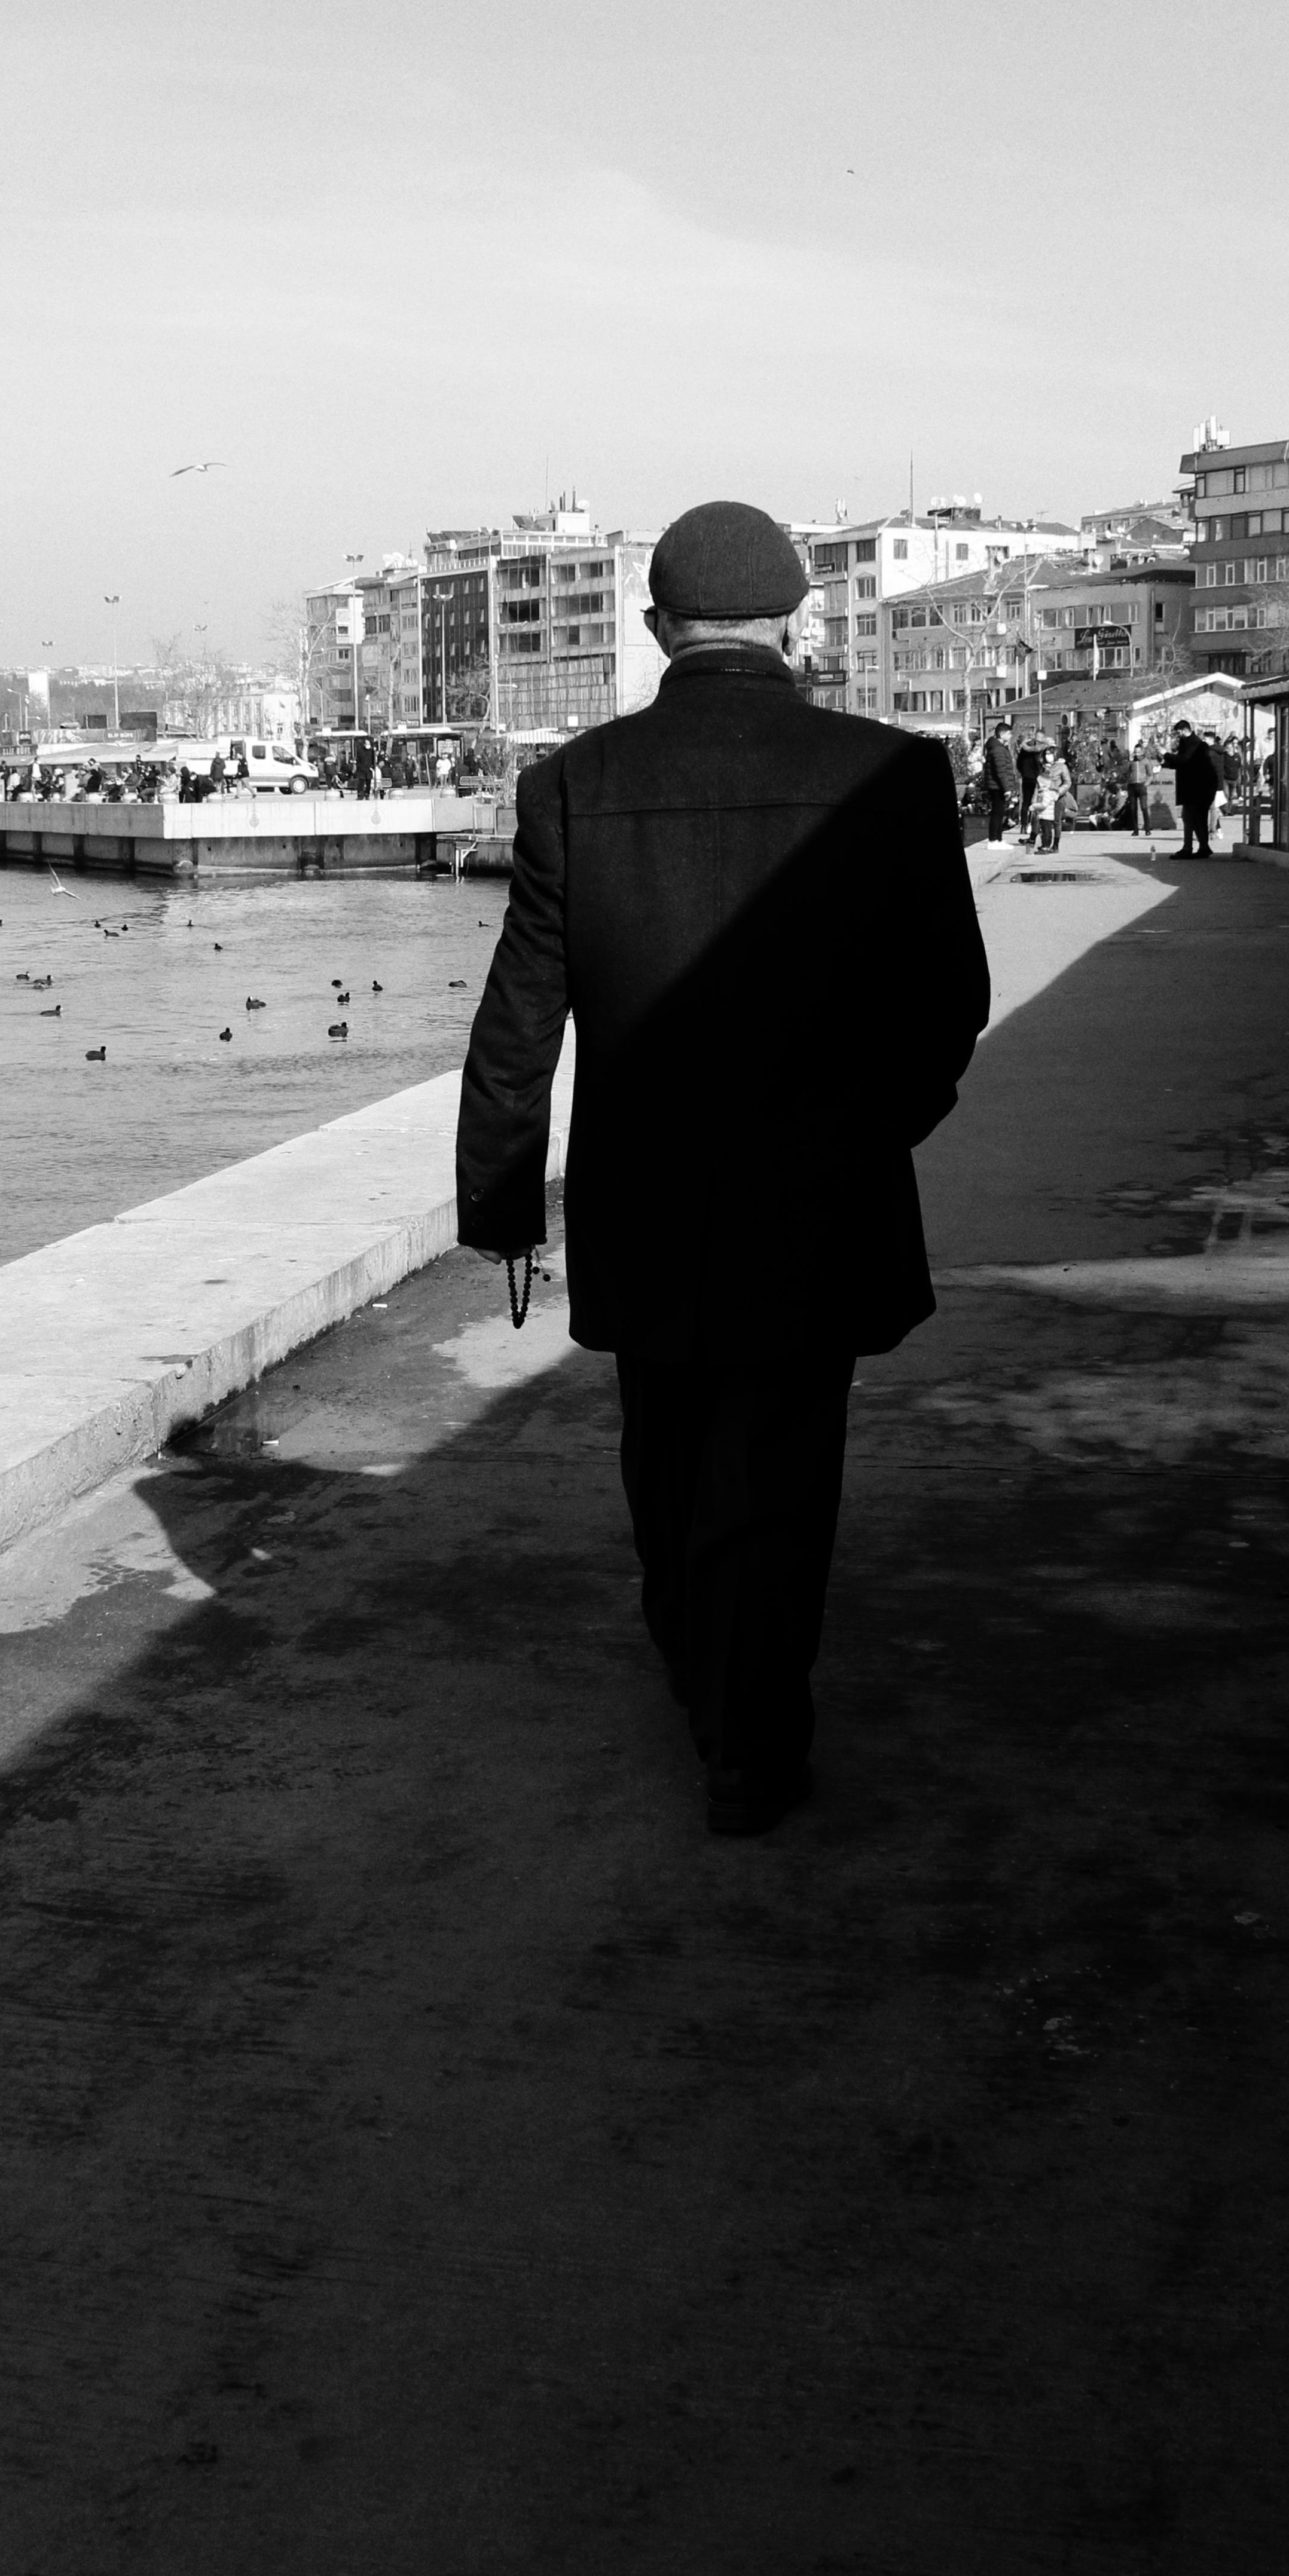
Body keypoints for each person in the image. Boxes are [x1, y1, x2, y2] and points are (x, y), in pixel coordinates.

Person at [456, 497, 991, 1838]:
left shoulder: (570, 787)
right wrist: (872, 1131)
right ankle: (750, 1729)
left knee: (668, 1442)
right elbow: (947, 1003)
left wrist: (505, 1206)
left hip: (646, 1196)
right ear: (795, 623)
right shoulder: (892, 775)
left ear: (655, 630)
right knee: (783, 1461)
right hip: (819, 1192)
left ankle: (700, 1661)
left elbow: (521, 1023)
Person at [1171, 720, 1221, 861]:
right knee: (1192, 818)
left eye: (1179, 732)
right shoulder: (1188, 744)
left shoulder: (1196, 745)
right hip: (1193, 787)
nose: (1178, 735)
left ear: (1185, 730)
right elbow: (1181, 762)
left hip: (1199, 788)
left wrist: (1167, 755)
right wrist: (1166, 759)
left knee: (1193, 818)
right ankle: (1202, 847)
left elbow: (1185, 760)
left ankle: (1191, 848)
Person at [982, 716, 1019, 845]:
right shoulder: (998, 750)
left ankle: (998, 839)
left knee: (1000, 812)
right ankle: (994, 840)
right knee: (997, 813)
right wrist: (1007, 789)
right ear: (1002, 734)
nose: (1010, 737)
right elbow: (1001, 771)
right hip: (998, 786)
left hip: (998, 786)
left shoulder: (999, 748)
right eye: (1009, 734)